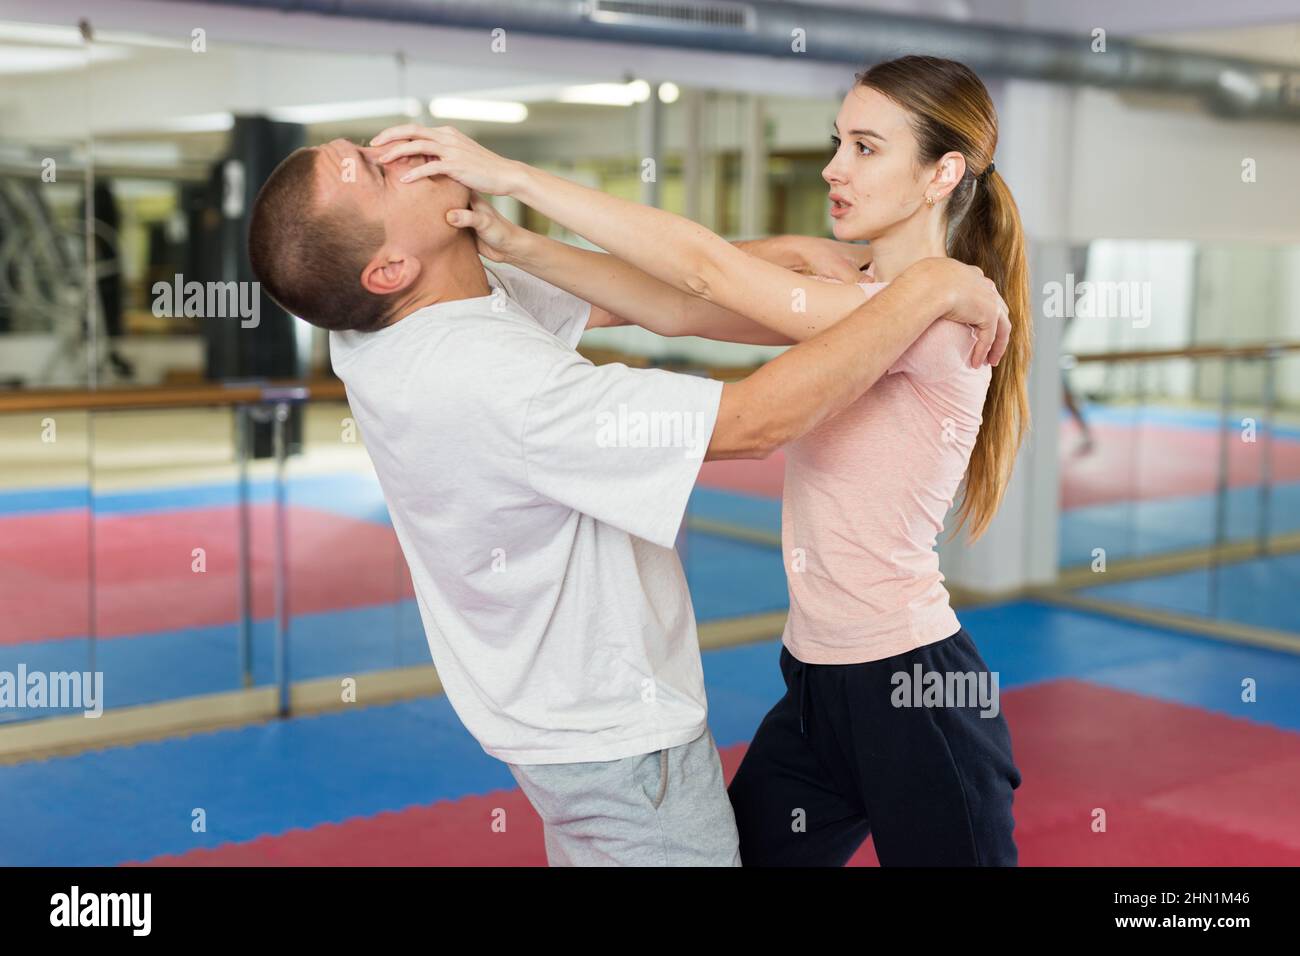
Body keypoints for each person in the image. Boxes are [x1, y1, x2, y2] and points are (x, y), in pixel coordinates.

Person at [247, 127, 1008, 866]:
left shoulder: (389, 317)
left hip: (569, 722)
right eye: (378, 174)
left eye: (372, 145)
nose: (402, 153)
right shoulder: (489, 379)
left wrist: (781, 268)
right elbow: (753, 421)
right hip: (617, 738)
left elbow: (647, 299)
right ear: (388, 270)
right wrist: (925, 289)